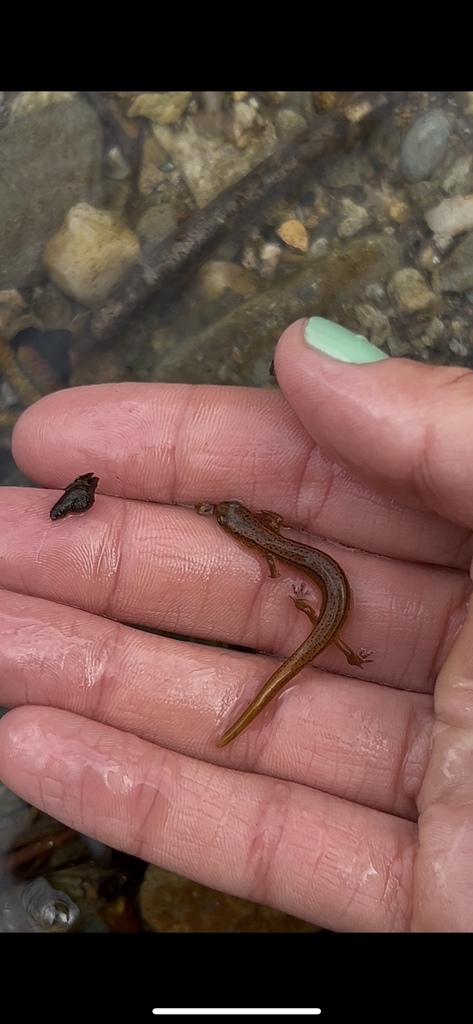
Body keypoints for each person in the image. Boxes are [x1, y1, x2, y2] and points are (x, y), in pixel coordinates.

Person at [0, 315, 471, 932]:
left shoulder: (263, 547)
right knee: (313, 631)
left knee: (314, 632)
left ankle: (309, 669)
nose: (224, 519)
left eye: (228, 520)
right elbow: (269, 542)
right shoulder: (266, 537)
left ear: (244, 532)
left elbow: (269, 552)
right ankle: (318, 659)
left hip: (332, 600)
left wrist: (287, 582)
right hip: (328, 596)